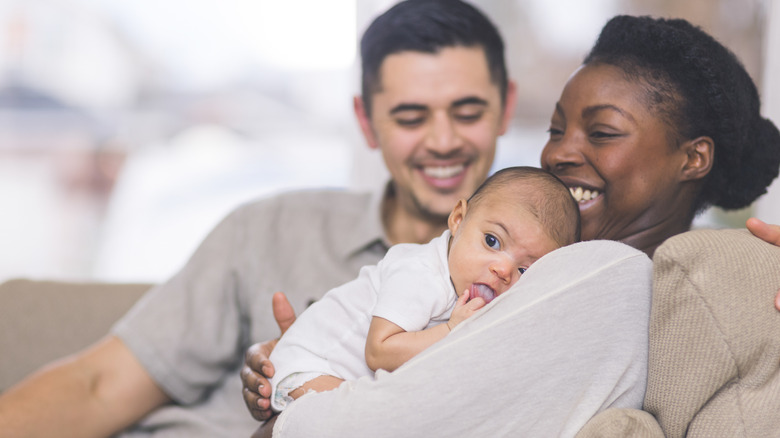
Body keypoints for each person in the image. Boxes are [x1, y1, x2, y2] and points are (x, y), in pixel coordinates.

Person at [242, 14, 780, 437]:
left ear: (693, 158)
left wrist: (301, 398)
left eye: (602, 133)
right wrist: (313, 358)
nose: (559, 153)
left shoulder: (607, 278)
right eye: (555, 130)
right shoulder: (528, 276)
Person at [0, 1, 516, 437]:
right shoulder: (269, 230)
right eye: (410, 117)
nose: (443, 141)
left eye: (468, 112)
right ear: (365, 121)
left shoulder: (532, 281)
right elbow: (98, 386)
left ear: (506, 107)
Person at [267, 166, 580, 412]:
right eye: (492, 241)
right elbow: (379, 351)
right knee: (372, 420)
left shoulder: (472, 294)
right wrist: (452, 331)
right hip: (307, 366)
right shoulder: (420, 274)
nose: (503, 270)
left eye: (525, 270)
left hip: (347, 379)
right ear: (458, 219)